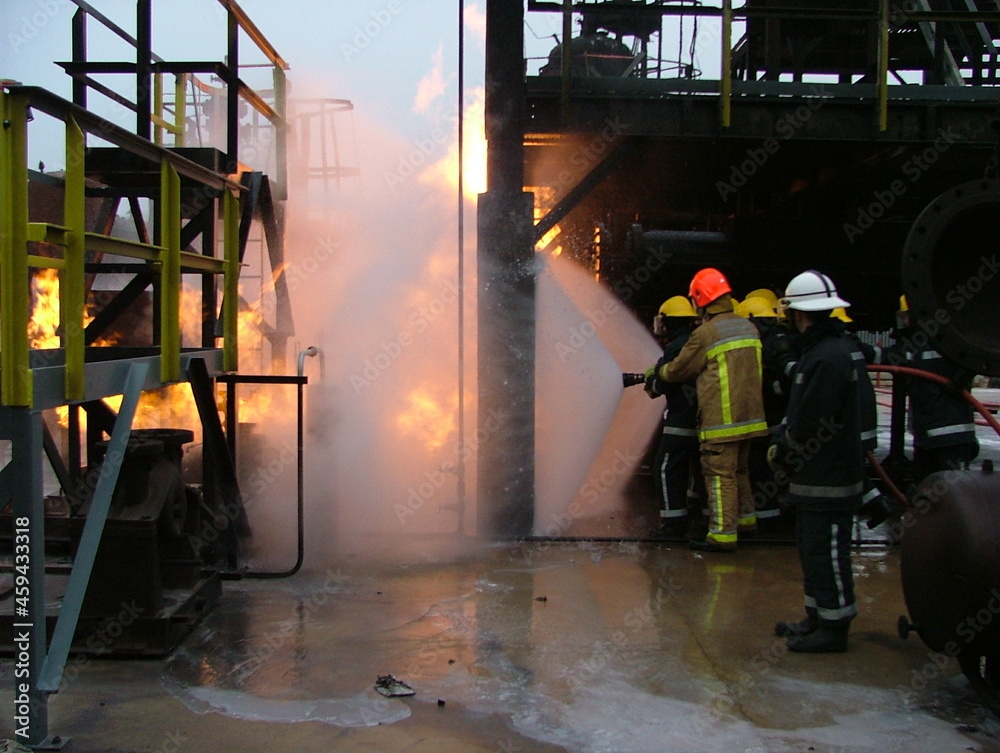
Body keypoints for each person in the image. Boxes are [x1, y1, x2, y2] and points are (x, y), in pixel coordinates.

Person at [768, 270, 864, 653]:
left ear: (800, 313)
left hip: (830, 476)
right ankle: (816, 617)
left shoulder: (828, 357)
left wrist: (784, 446)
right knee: (812, 549)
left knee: (829, 551)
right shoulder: (821, 351)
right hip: (813, 476)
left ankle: (835, 627)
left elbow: (811, 418)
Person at [648, 268, 767, 553]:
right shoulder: (748, 328)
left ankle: (722, 536)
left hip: (722, 419)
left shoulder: (707, 333)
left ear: (701, 299)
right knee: (739, 471)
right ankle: (746, 523)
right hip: (752, 417)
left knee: (719, 474)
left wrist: (657, 373)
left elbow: (679, 370)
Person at [890, 295, 978, 483]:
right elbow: (888, 357)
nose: (904, 321)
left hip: (952, 438)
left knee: (955, 493)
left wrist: (959, 381)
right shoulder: (915, 345)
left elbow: (973, 359)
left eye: (906, 316)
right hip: (926, 437)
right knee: (927, 488)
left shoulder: (948, 339)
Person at [644, 296, 705, 539]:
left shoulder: (675, 348)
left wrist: (652, 380)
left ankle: (673, 524)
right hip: (704, 420)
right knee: (700, 469)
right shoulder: (698, 341)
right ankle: (703, 518)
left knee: (666, 467)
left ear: (668, 322)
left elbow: (661, 385)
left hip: (680, 420)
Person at [735, 296, 787, 532]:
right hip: (776, 419)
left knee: (760, 466)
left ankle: (767, 520)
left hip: (769, 419)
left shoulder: (768, 345)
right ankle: (773, 516)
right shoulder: (778, 340)